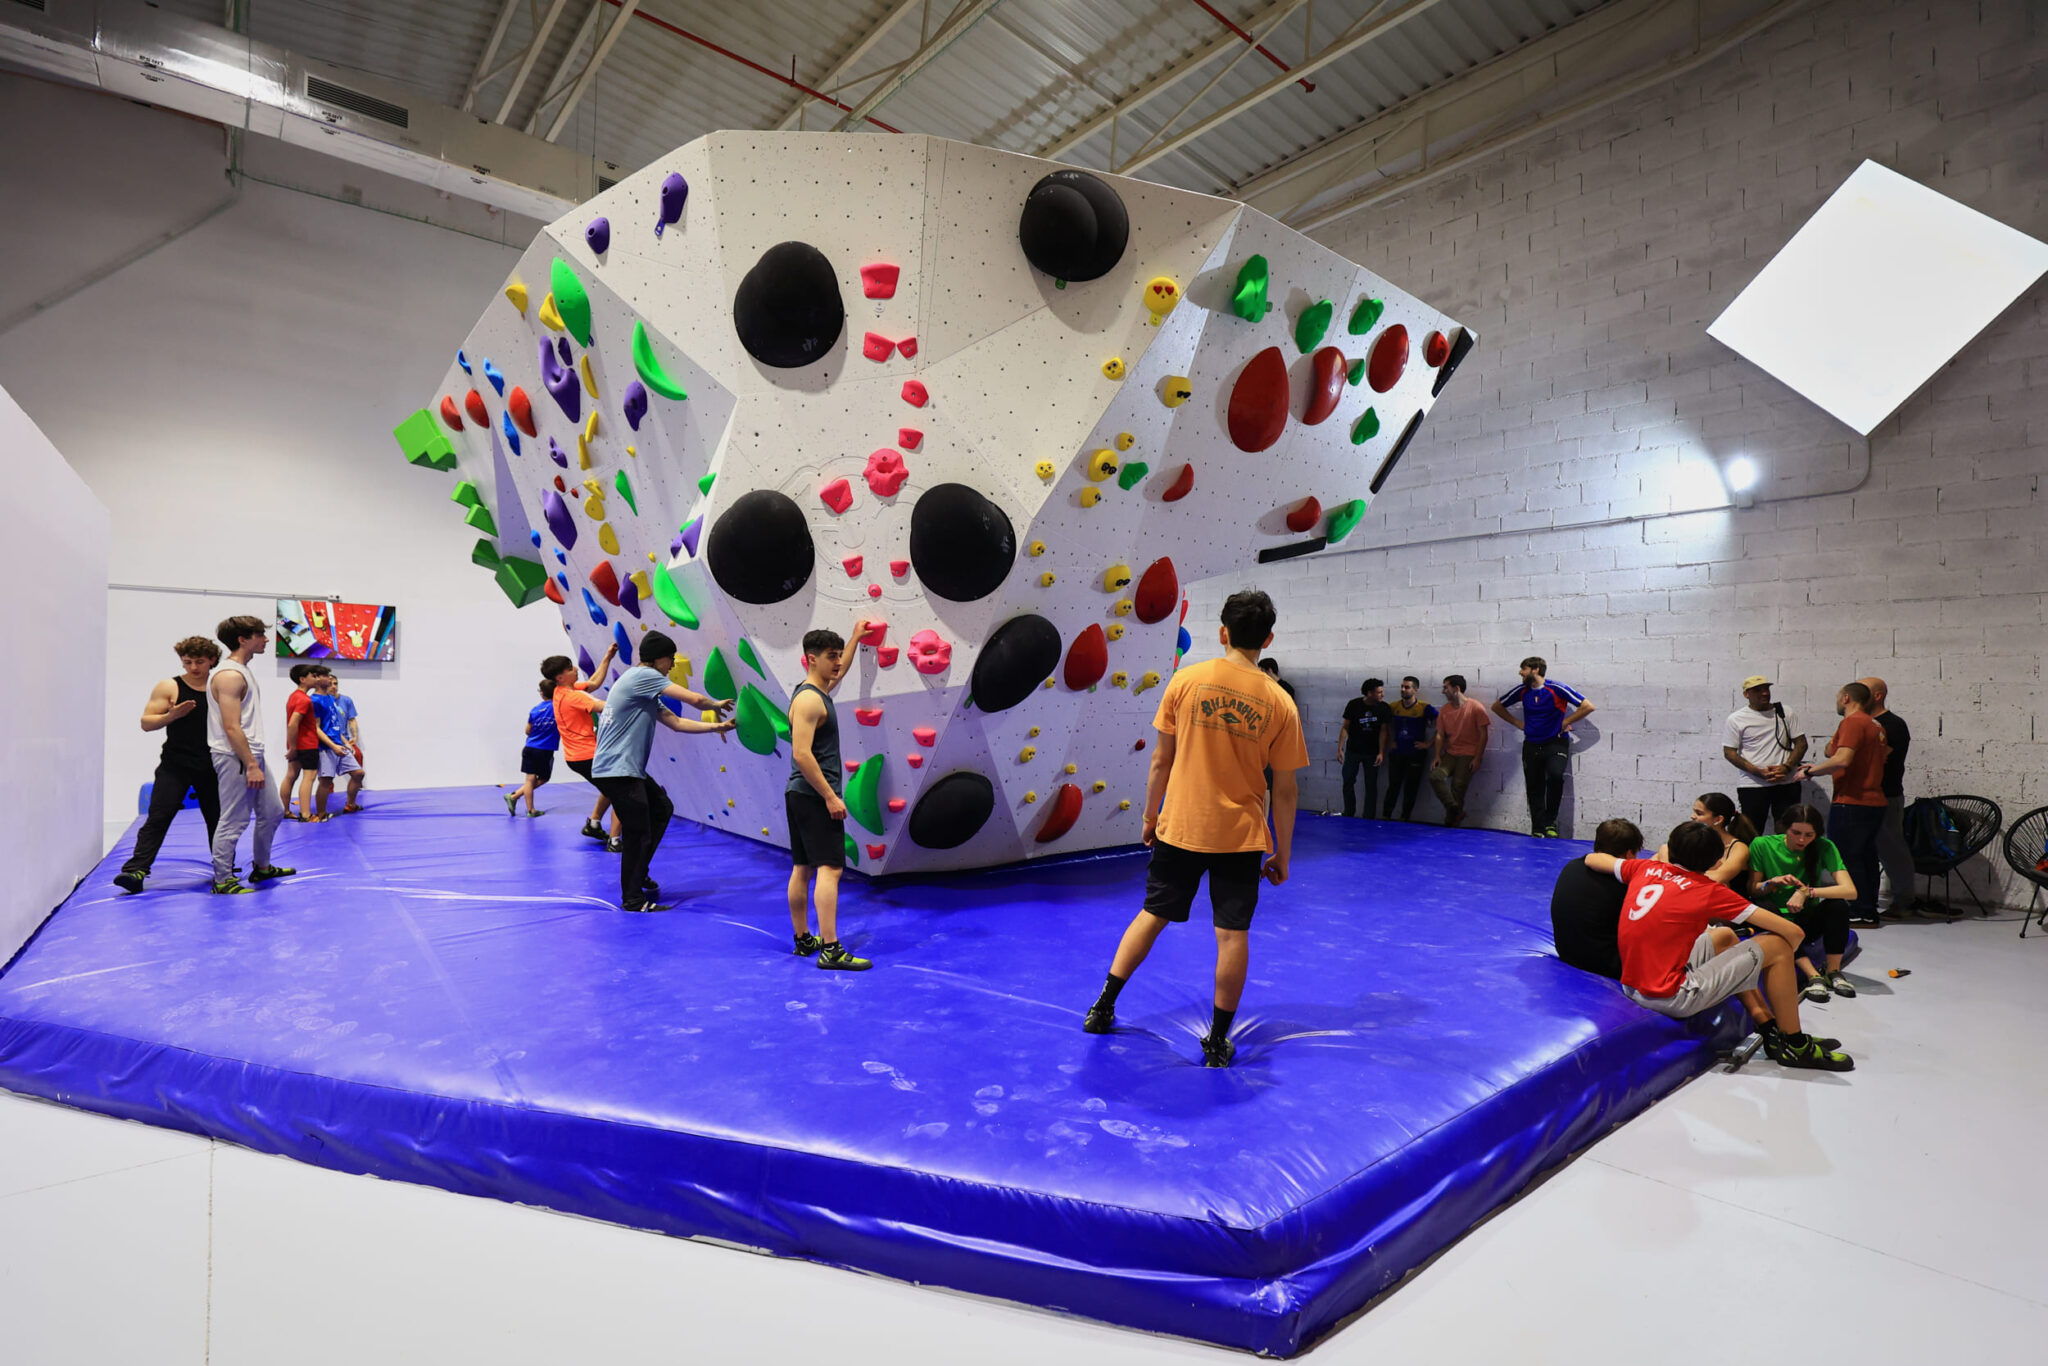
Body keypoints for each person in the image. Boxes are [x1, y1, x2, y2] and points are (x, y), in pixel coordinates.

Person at [1082, 591, 1309, 1068]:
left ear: (1222, 632)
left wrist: (1149, 817)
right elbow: (1285, 791)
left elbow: (1161, 759)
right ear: (1267, 639)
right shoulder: (1280, 703)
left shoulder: (1186, 681)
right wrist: (1283, 854)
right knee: (1232, 935)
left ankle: (1102, 1007)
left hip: (1180, 825)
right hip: (1241, 835)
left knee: (1152, 915)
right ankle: (1216, 1043)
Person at [1584, 822, 1852, 1071]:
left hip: (1632, 984)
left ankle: (1769, 1028)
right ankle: (1795, 1044)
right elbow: (1793, 932)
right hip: (1671, 994)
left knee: (1724, 936)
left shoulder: (1645, 868)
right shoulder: (1707, 889)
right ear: (1716, 861)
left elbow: (1592, 858)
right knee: (1779, 946)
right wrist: (1776, 954)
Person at [588, 631, 734, 912]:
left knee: (661, 808)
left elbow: (678, 722)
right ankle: (632, 898)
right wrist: (715, 704)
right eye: (670, 658)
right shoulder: (643, 676)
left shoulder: (642, 687)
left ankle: (639, 871)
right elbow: (693, 699)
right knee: (637, 832)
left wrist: (718, 727)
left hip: (624, 769)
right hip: (618, 770)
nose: (672, 665)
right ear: (657, 658)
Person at [786, 620, 878, 971]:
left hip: (799, 794)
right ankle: (831, 949)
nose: (837, 662)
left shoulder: (813, 691)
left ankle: (802, 938)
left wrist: (854, 638)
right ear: (811, 659)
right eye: (831, 656)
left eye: (839, 655)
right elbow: (801, 753)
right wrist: (829, 796)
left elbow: (839, 674)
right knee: (831, 868)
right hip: (812, 795)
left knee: (802, 867)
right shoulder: (811, 700)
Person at [114, 635, 225, 893]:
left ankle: (224, 868)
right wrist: (172, 715)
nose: (194, 667)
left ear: (212, 660)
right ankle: (136, 870)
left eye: (199, 661)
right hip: (176, 763)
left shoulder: (220, 687)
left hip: (213, 763)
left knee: (217, 818)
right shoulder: (169, 686)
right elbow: (146, 723)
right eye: (187, 662)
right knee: (159, 815)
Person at [206, 615, 293, 894]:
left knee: (273, 811)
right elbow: (231, 727)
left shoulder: (242, 671)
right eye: (260, 635)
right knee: (234, 820)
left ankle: (262, 867)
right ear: (243, 639)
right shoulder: (229, 675)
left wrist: (256, 760)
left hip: (252, 754)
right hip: (237, 757)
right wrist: (251, 764)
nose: (266, 639)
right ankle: (222, 881)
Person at [1794, 681, 1889, 927]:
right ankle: (1868, 908)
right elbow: (1832, 751)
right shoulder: (1875, 725)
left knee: (1848, 857)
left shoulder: (1853, 722)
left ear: (1846, 698)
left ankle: (1858, 909)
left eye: (1838, 697)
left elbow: (1842, 759)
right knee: (1867, 857)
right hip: (1873, 801)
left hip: (1852, 801)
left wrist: (1811, 772)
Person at [1746, 803, 1859, 1001]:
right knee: (1765, 909)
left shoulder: (1825, 846)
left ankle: (1833, 971)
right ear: (1784, 828)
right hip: (1777, 919)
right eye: (1796, 832)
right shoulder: (1762, 844)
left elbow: (1850, 891)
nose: (1801, 840)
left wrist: (1808, 892)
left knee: (1838, 906)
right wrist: (1770, 883)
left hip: (1806, 918)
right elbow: (1752, 889)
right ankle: (1813, 975)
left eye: (1809, 835)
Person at [1491, 657, 1593, 838]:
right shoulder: (1522, 691)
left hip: (1555, 743)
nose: (1520, 673)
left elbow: (1587, 706)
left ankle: (1550, 822)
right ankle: (1538, 827)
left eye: (1523, 669)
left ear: (1535, 669)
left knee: (1555, 776)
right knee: (1534, 785)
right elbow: (1497, 706)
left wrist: (1566, 722)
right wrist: (1517, 723)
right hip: (1531, 744)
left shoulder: (1556, 688)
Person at [1548, 817, 1643, 979]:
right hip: (1603, 963)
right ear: (1629, 854)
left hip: (1566, 951)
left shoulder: (1571, 866)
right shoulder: (1625, 885)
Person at [547, 642, 619, 845]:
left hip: (576, 757)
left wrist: (608, 657)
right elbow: (604, 707)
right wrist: (633, 699)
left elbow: (594, 683)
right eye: (570, 669)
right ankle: (615, 840)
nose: (576, 669)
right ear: (560, 677)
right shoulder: (573, 697)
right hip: (587, 756)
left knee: (608, 789)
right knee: (621, 791)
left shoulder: (560, 691)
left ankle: (594, 824)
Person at [1722, 676, 1806, 834]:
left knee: (1788, 831)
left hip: (1786, 783)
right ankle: (1751, 859)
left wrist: (1786, 768)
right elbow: (1729, 752)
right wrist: (1758, 772)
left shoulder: (1785, 712)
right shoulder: (1736, 719)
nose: (1765, 693)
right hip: (1753, 785)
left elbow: (1801, 743)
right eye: (1758, 690)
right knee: (1751, 832)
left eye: (1766, 689)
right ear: (1746, 694)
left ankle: (1784, 859)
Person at [1859, 676, 1915, 915]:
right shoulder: (1863, 723)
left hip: (1886, 796)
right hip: (1864, 797)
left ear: (1878, 695)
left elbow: (1874, 757)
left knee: (1891, 849)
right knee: (1866, 850)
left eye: (1864, 692)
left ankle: (1904, 901)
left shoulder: (1893, 725)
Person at [1652, 792, 1756, 886]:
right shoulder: (1694, 840)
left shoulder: (1739, 848)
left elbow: (1718, 878)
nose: (1692, 817)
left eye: (1699, 813)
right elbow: (1651, 867)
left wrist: (1672, 869)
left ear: (1718, 819)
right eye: (1694, 812)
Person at [1429, 674, 1490, 827]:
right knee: (1436, 776)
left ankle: (1451, 822)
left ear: (1456, 689)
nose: (1443, 691)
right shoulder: (1444, 710)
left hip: (1469, 754)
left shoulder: (1475, 707)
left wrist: (1477, 758)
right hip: (1450, 753)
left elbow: (1483, 734)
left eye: (1446, 687)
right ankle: (1455, 809)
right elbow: (1440, 734)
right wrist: (1437, 755)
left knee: (1458, 786)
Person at [308, 672, 363, 818]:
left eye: (334, 681)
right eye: (328, 678)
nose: (331, 681)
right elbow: (316, 728)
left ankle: (350, 804)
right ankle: (321, 813)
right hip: (325, 747)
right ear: (318, 679)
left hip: (339, 743)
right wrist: (333, 746)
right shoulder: (315, 700)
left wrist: (346, 743)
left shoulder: (331, 699)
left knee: (358, 773)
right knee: (326, 780)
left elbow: (335, 725)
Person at [1381, 676, 1436, 820]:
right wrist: (1389, 742)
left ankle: (1405, 818)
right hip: (1397, 752)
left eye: (1407, 687)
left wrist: (1429, 744)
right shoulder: (1393, 707)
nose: (1403, 689)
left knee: (1411, 788)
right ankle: (1386, 815)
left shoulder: (1425, 708)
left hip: (1416, 753)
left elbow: (1442, 726)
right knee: (1393, 785)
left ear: (1415, 690)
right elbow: (1385, 726)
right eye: (1402, 686)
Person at [1336, 678, 1390, 819]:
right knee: (1347, 780)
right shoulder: (1354, 705)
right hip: (1354, 750)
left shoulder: (1384, 708)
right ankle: (1349, 812)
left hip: (1372, 752)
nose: (1382, 695)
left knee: (1371, 785)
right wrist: (1340, 748)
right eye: (1379, 692)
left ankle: (1369, 816)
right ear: (1369, 693)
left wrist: (1381, 752)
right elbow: (1345, 727)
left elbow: (1384, 731)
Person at [507, 679, 558, 817]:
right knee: (543, 778)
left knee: (529, 779)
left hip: (529, 747)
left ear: (542, 693)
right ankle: (515, 797)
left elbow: (527, 730)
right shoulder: (557, 707)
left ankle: (528, 808)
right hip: (545, 749)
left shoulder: (535, 710)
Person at [280, 663, 324, 821]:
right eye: (313, 676)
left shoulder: (293, 696)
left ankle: (285, 810)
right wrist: (293, 747)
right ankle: (306, 814)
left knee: (291, 775)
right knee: (309, 776)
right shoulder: (304, 700)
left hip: (298, 744)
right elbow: (293, 723)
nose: (316, 679)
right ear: (303, 679)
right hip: (306, 744)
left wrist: (292, 746)